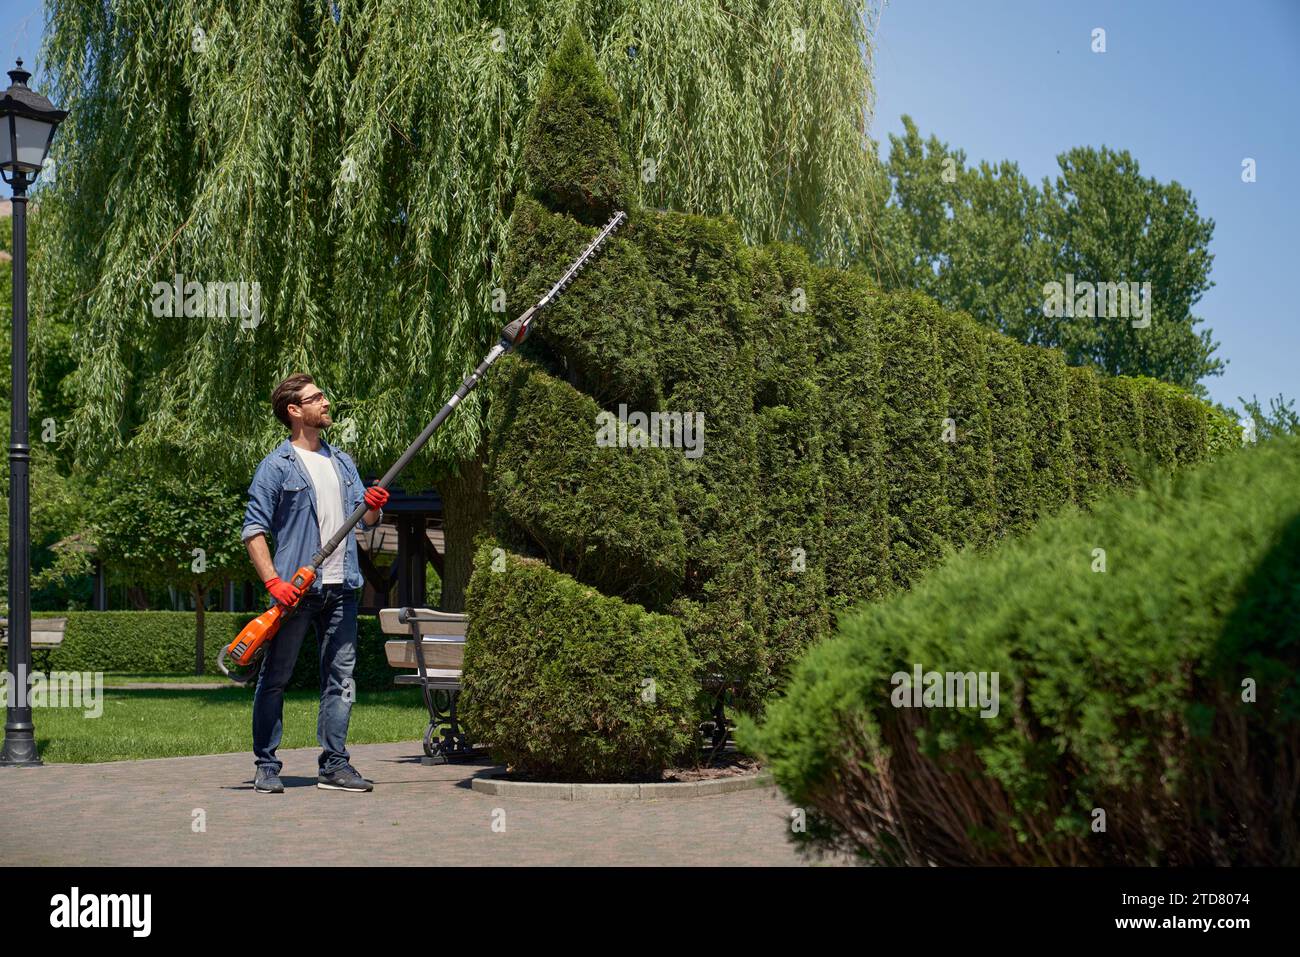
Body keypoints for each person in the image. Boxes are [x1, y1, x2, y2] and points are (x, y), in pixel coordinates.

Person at [240, 373, 389, 793]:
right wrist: (273, 583)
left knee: (340, 679)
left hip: (343, 587)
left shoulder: (342, 461)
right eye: (316, 397)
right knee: (276, 677)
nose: (326, 402)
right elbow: (253, 530)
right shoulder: (276, 466)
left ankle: (335, 765)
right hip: (297, 591)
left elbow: (368, 520)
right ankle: (267, 766)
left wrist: (374, 505)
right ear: (294, 411)